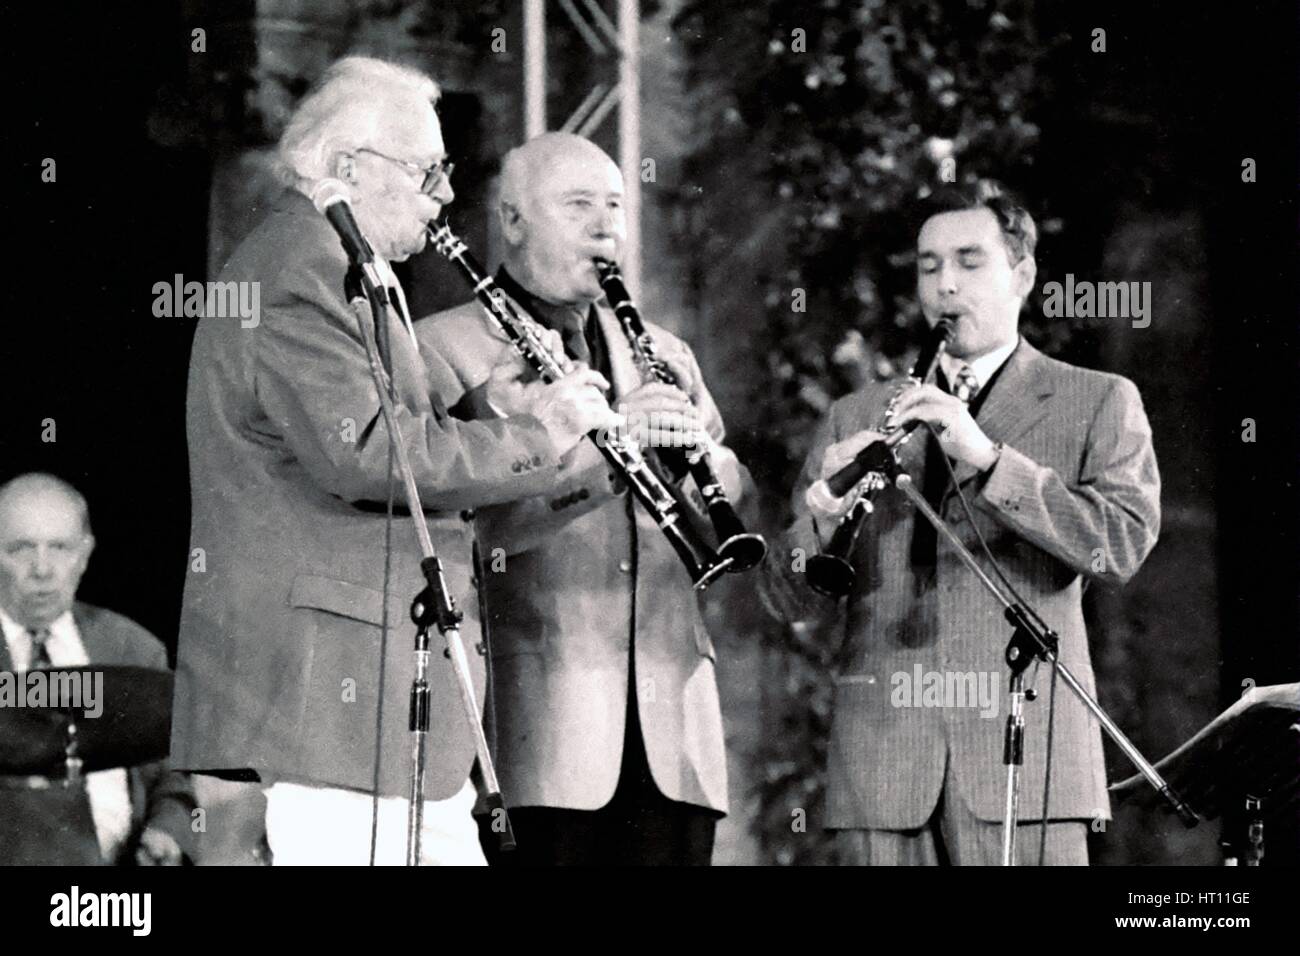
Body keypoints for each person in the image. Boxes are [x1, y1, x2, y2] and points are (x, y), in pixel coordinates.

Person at [171, 58, 615, 866]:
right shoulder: (299, 271)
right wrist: (537, 436)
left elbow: (373, 427)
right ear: (348, 167)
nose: (445, 196)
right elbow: (369, 452)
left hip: (362, 704)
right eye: (427, 172)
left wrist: (486, 404)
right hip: (332, 702)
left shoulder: (339, 267)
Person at [764, 180, 1161, 865]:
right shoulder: (856, 416)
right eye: (928, 267)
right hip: (884, 768)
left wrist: (985, 458)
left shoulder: (1097, 400)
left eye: (970, 262)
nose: (945, 286)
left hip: (1027, 767)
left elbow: (1118, 545)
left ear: (1024, 274)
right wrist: (823, 519)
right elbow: (785, 596)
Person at [419, 132, 746, 865]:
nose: (607, 227)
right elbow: (468, 535)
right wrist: (605, 463)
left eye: (616, 207)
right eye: (578, 206)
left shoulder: (665, 351)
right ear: (511, 222)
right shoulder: (442, 350)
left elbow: (728, 490)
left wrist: (705, 466)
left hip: (674, 730)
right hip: (542, 732)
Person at [0, 473, 196, 866]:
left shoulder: (133, 649)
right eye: (20, 548)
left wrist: (167, 833)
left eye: (60, 547)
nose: (42, 569)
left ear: (85, 553)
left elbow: (177, 776)